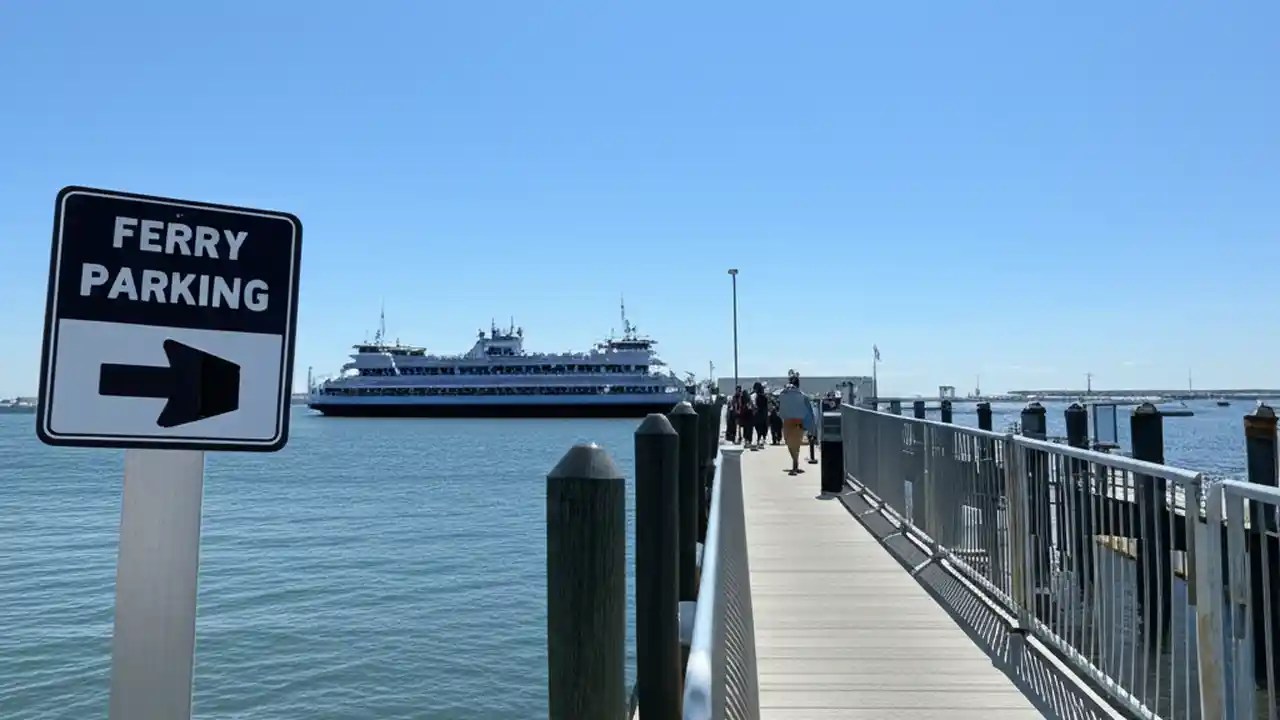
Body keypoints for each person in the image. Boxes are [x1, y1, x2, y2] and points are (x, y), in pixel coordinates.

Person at [776, 372, 815, 475]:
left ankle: (794, 462)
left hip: (787, 423)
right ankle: (795, 461)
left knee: (790, 444)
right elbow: (809, 411)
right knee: (796, 445)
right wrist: (811, 427)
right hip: (798, 423)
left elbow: (780, 405)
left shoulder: (783, 393)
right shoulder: (803, 396)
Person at [751, 382, 769, 450]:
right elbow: (766, 408)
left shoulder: (756, 396)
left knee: (758, 429)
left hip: (758, 415)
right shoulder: (763, 397)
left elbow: (755, 406)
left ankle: (759, 441)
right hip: (762, 415)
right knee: (762, 429)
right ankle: (760, 441)